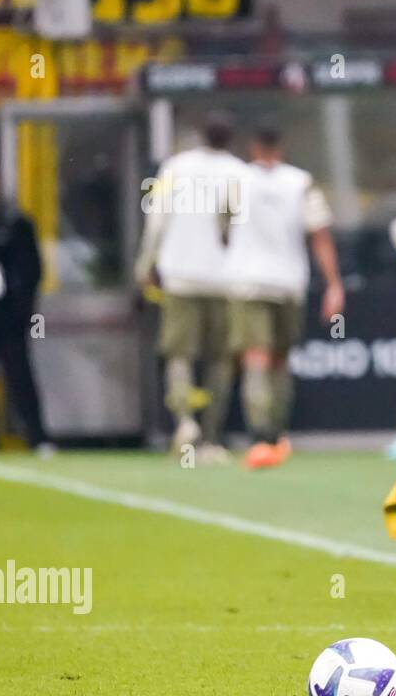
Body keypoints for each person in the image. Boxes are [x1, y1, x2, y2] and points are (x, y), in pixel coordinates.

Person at [226, 124, 344, 469]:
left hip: (246, 283)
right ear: (281, 146)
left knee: (256, 358)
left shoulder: (236, 180)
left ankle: (259, 437)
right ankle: (277, 435)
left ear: (253, 146)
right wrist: (334, 284)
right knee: (280, 360)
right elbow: (320, 236)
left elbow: (219, 228)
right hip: (288, 282)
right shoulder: (300, 182)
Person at [135, 112, 248, 461]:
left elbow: (156, 221)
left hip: (180, 274)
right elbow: (240, 228)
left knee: (179, 353)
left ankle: (185, 423)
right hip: (225, 278)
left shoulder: (175, 167)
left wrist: (145, 265)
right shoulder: (240, 173)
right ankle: (212, 436)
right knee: (221, 358)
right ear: (230, 139)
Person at [0, 157, 50, 453]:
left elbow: (32, 269)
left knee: (20, 375)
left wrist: (23, 307)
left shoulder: (15, 222)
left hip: (8, 315)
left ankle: (37, 437)